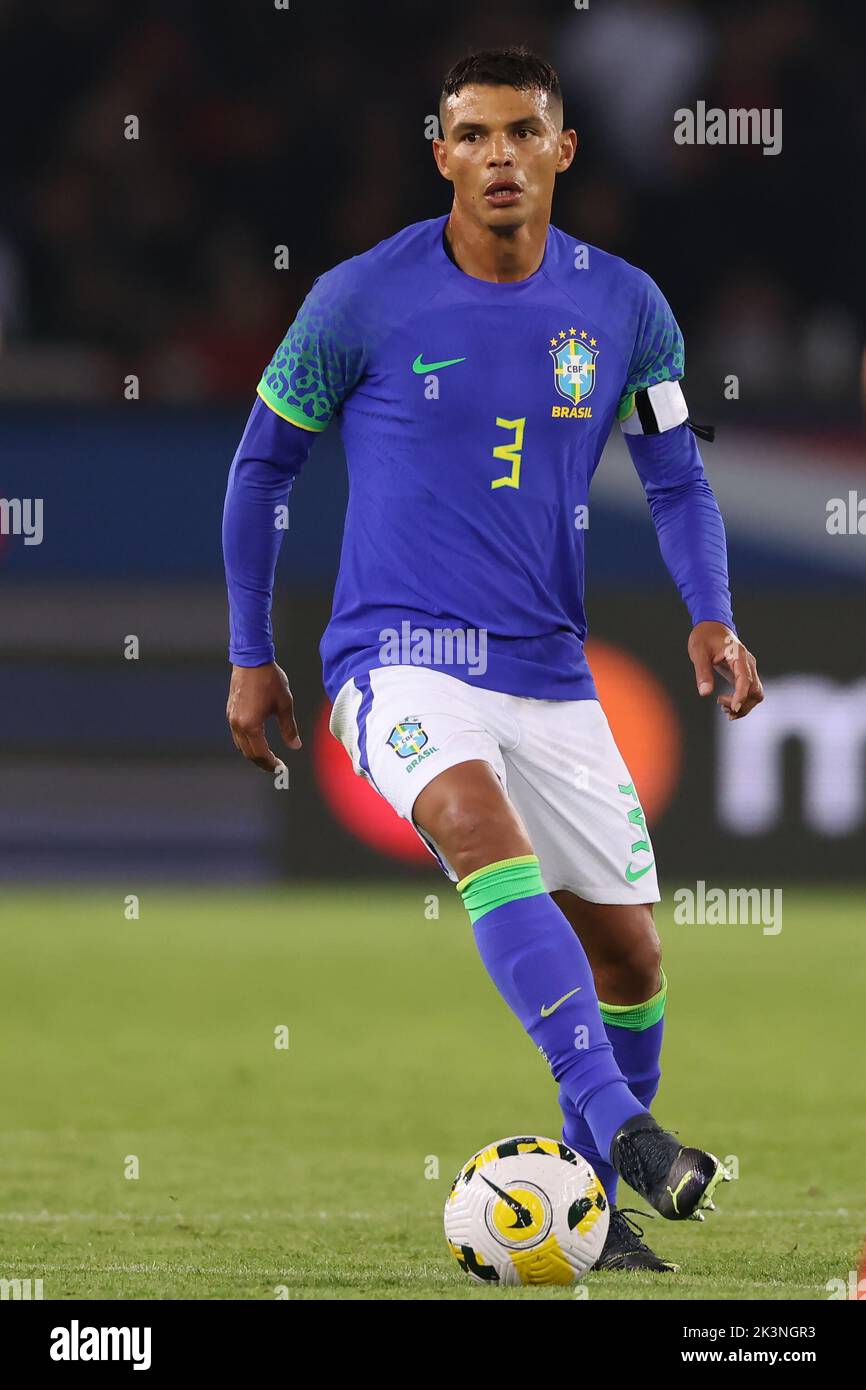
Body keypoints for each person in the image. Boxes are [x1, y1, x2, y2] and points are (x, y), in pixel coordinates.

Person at [222, 46, 763, 1273]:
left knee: (628, 953)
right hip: (394, 654)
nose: (500, 156)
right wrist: (253, 651)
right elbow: (263, 466)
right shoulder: (360, 298)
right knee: (472, 820)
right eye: (473, 135)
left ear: (563, 149)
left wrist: (709, 613)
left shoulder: (624, 305)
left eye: (524, 132)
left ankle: (602, 1217)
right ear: (440, 155)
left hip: (549, 669)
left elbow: (675, 475)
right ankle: (622, 1131)